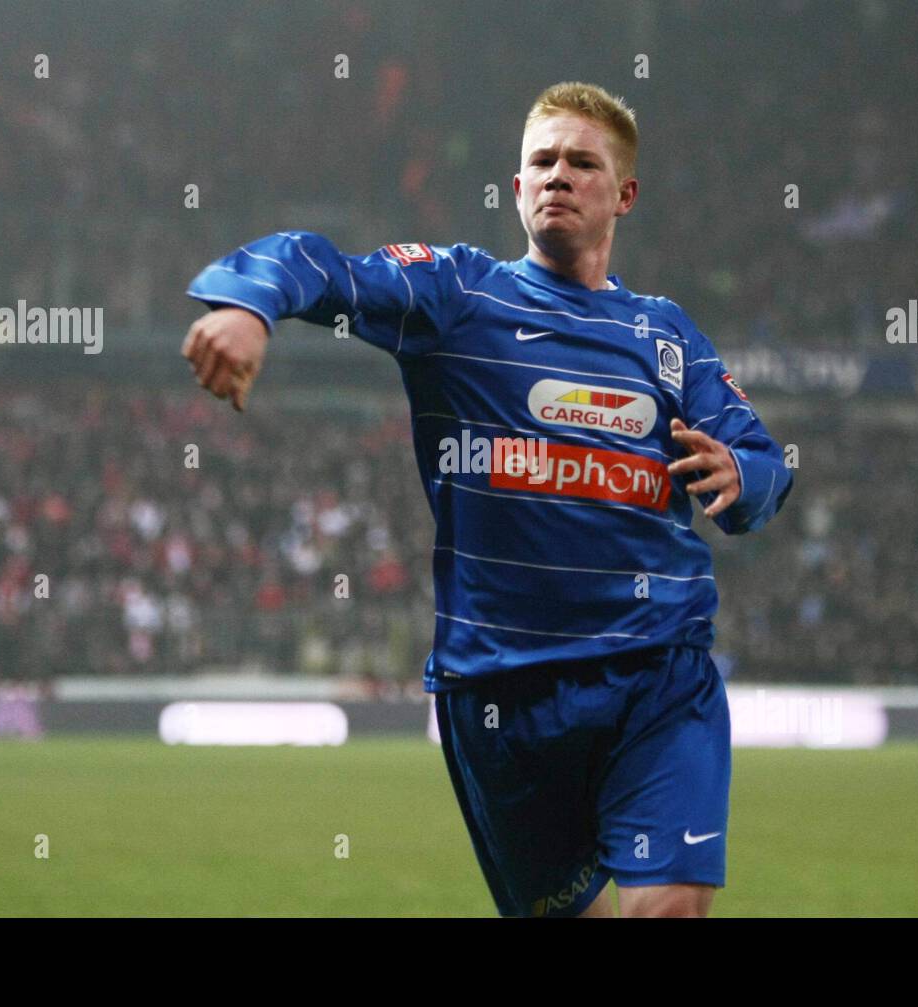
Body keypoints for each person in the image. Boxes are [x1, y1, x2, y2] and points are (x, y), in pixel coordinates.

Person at [181, 81, 793, 917]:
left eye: (583, 163)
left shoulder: (667, 334)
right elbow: (322, 264)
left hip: (656, 670)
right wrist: (250, 306)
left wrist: (743, 475)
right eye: (541, 161)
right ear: (515, 188)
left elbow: (764, 462)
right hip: (503, 692)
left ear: (625, 194)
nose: (558, 176)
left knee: (669, 909)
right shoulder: (460, 296)